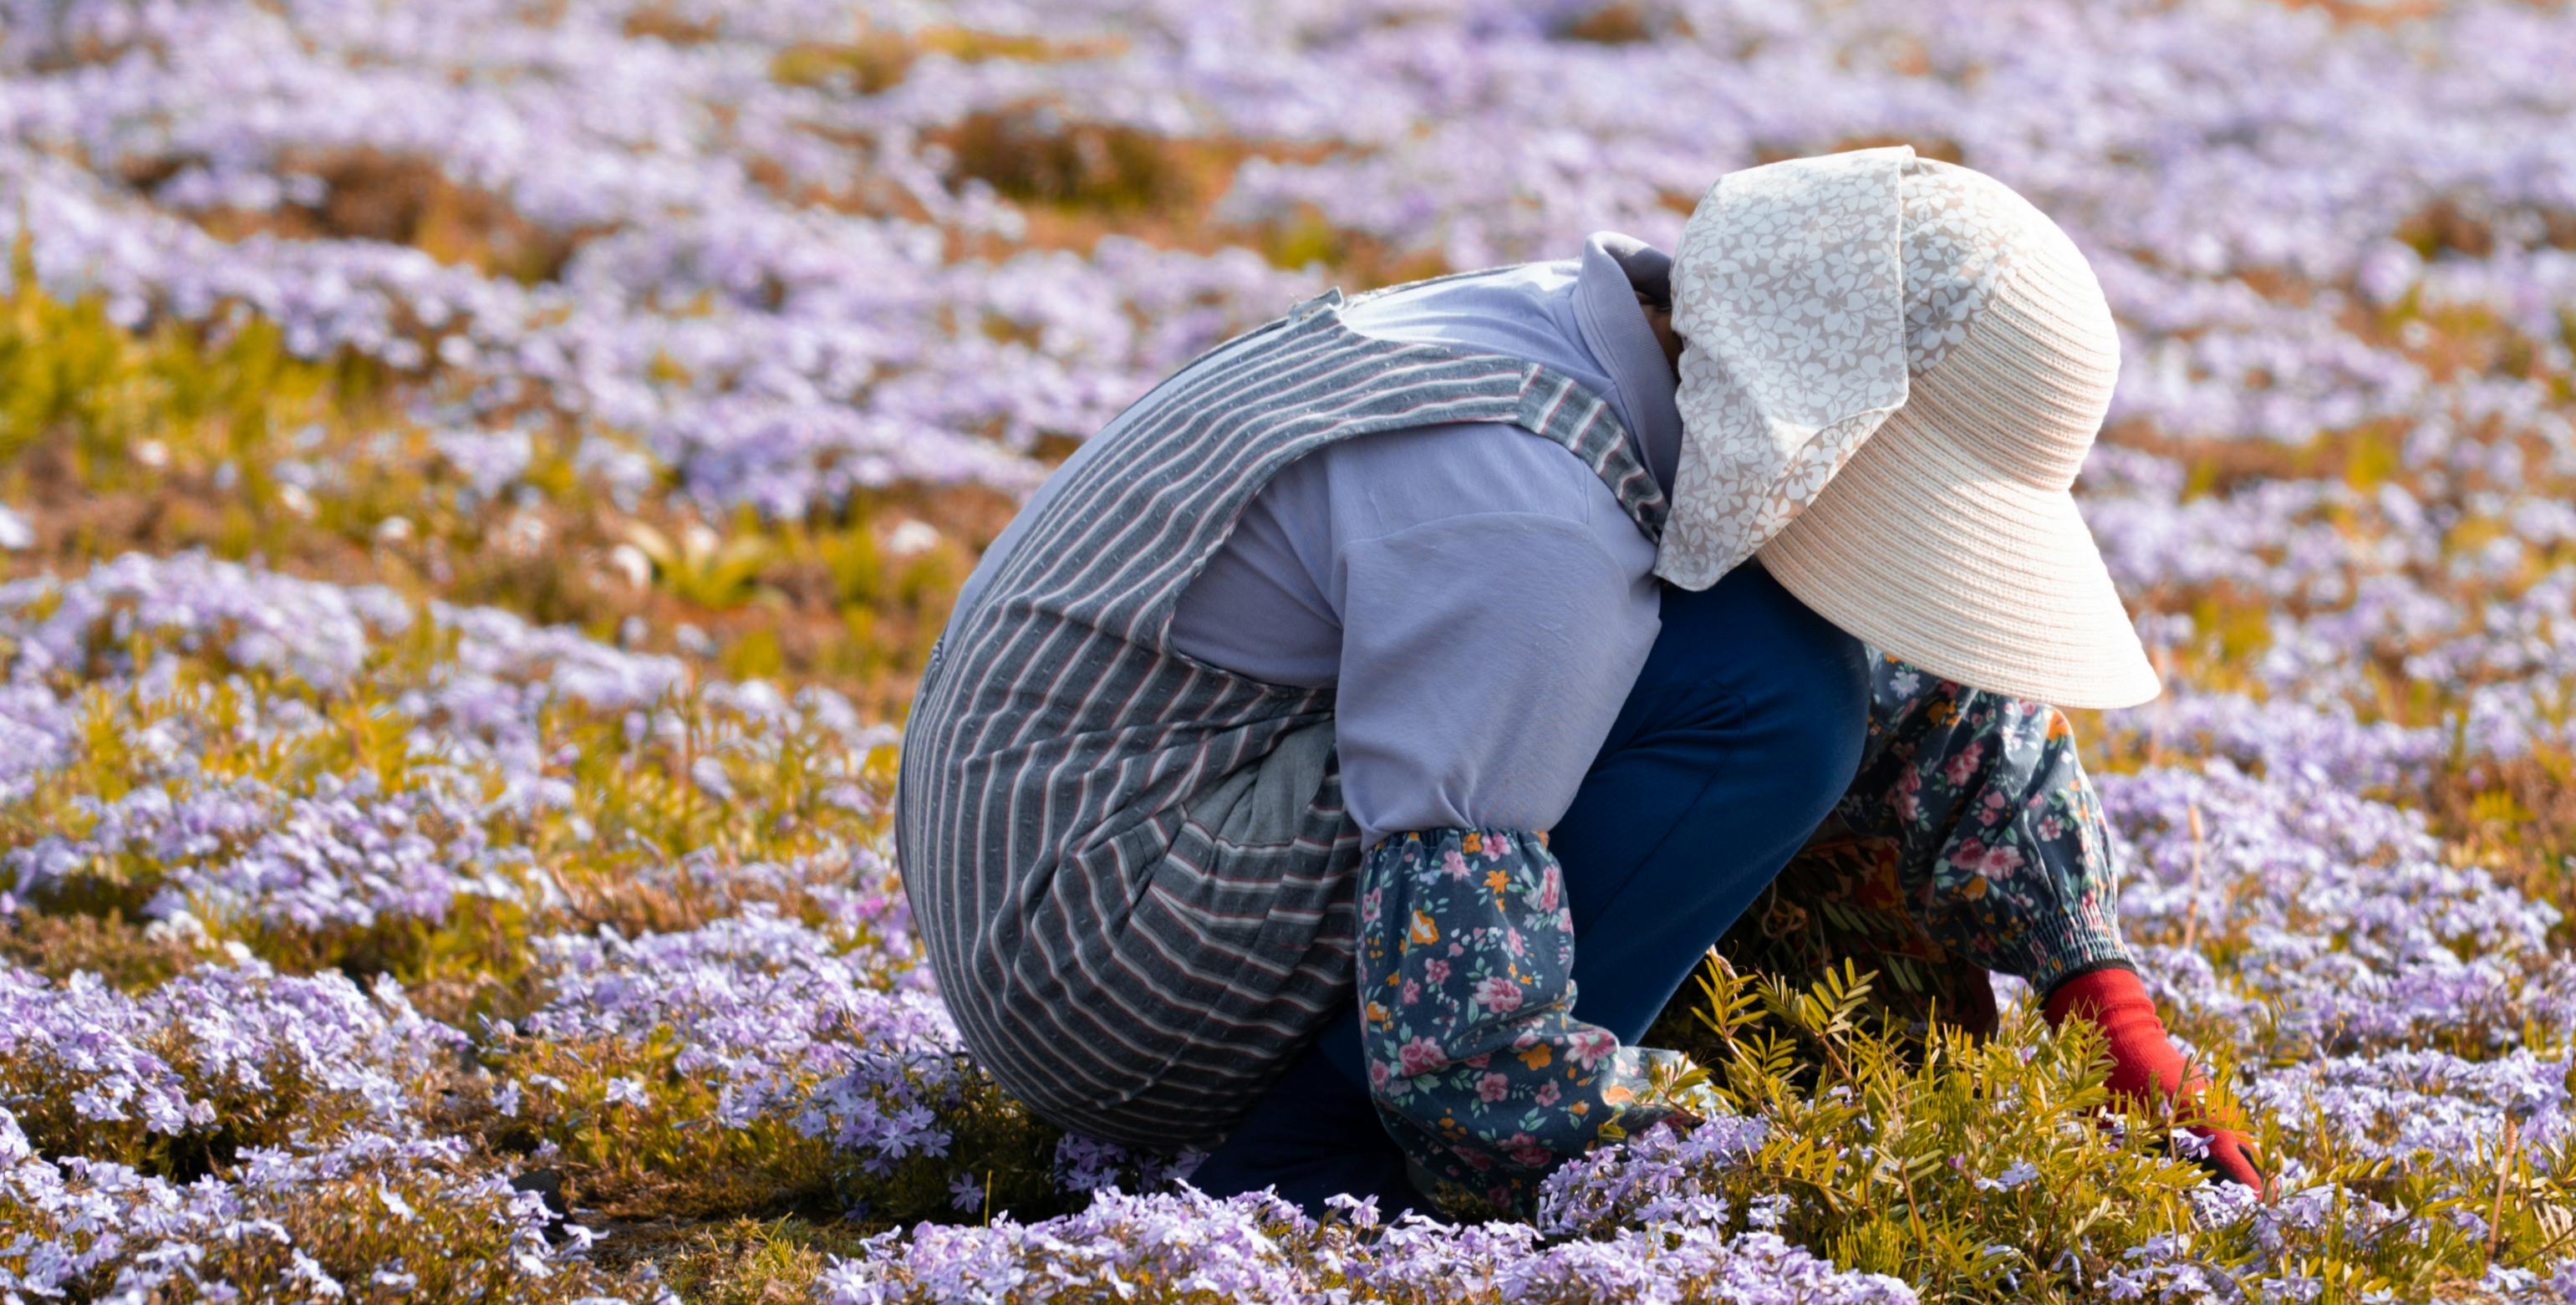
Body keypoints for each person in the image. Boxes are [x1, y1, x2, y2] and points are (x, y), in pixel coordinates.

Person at [895, 141, 2256, 1220]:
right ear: (1821, 423)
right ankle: (1316, 1157)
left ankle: (1482, 1084)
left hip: (1131, 837)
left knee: (1817, 638)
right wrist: (1784, 1178)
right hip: (1103, 947)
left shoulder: (1621, 340)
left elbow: (1929, 658)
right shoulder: (1533, 519)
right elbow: (1464, 1054)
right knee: (1778, 701)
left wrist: (2097, 987)